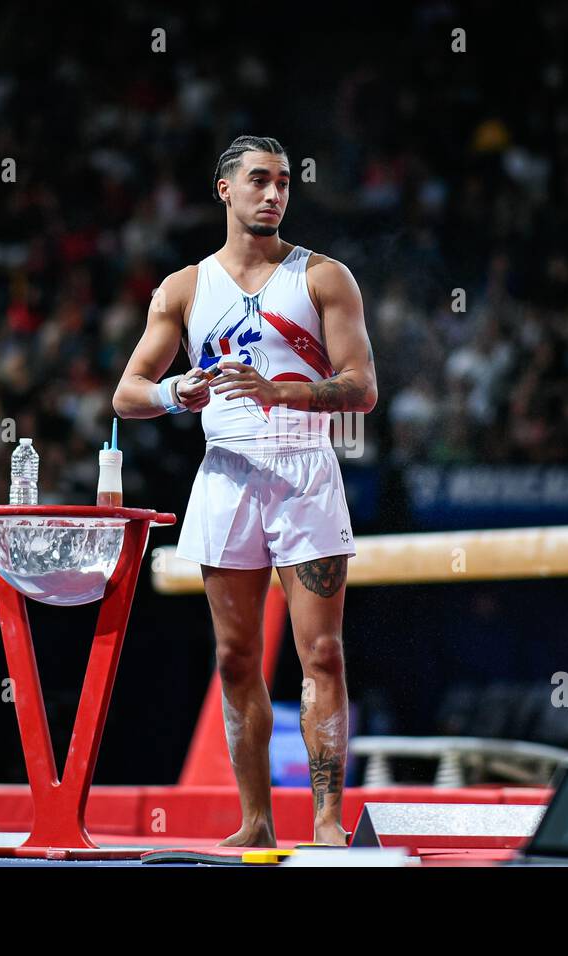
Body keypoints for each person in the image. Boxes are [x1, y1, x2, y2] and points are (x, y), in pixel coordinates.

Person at [113, 136, 377, 846]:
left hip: (302, 471)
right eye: (259, 180)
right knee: (233, 658)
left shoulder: (323, 278)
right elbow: (126, 392)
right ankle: (255, 821)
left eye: (285, 182)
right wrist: (177, 391)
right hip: (226, 471)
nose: (275, 194)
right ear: (223, 189)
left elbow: (362, 387)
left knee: (321, 654)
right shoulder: (185, 289)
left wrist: (282, 390)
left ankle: (325, 819)